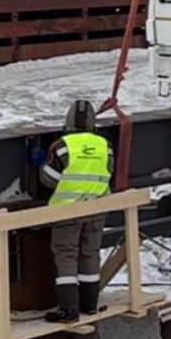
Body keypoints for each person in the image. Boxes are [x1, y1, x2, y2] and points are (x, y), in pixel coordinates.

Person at [31, 99, 113, 323]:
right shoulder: (104, 145)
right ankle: (89, 304)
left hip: (68, 210)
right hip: (97, 206)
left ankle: (69, 308)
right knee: (89, 253)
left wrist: (41, 163)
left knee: (66, 255)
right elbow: (109, 171)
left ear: (68, 122)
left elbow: (49, 181)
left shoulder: (62, 146)